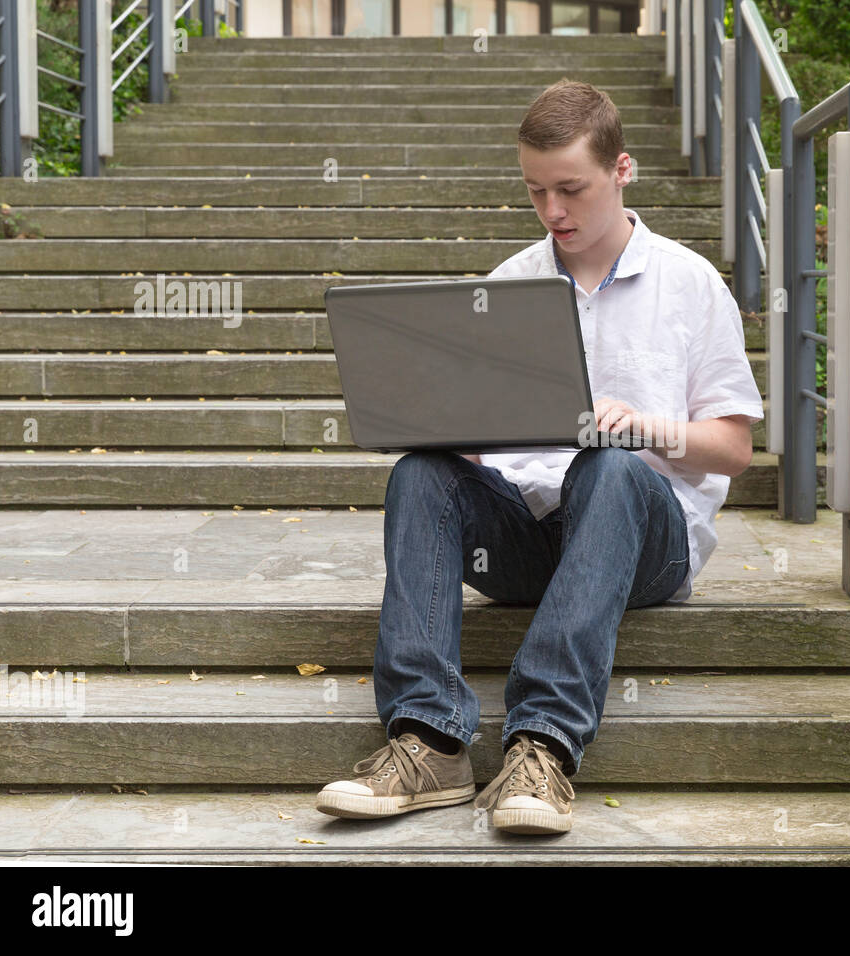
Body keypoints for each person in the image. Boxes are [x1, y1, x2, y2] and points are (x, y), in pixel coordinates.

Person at [316, 79, 763, 834]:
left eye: (571, 189)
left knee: (611, 466)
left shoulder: (690, 284)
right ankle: (428, 742)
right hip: (527, 539)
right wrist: (446, 428)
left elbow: (736, 448)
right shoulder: (511, 283)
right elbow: (480, 438)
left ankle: (544, 744)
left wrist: (646, 429)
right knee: (422, 473)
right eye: (535, 192)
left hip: (644, 546)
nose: (554, 211)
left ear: (621, 171)